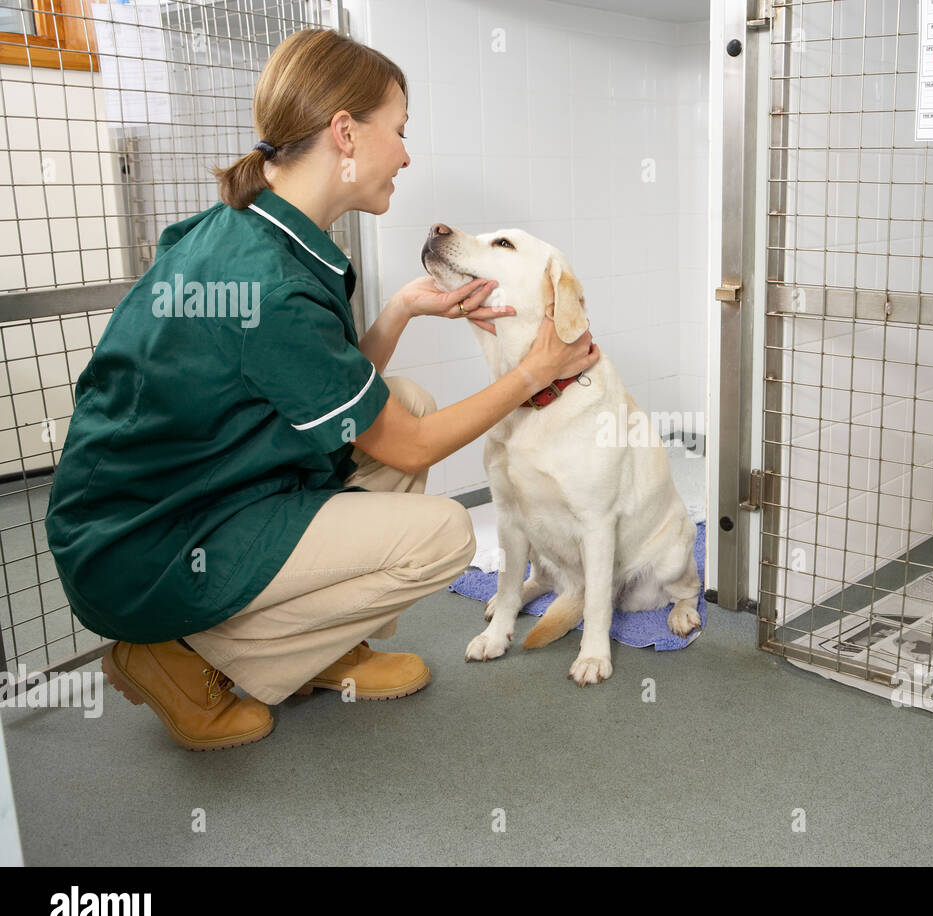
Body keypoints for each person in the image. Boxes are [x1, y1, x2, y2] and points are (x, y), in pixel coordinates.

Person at [44, 28, 599, 751]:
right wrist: (535, 372)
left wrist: (401, 307)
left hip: (196, 497)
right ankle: (176, 659)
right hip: (144, 546)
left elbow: (321, 386)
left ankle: (322, 647)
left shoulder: (251, 229)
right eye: (397, 132)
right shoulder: (269, 284)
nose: (405, 153)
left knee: (410, 396)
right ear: (345, 132)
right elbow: (409, 446)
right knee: (443, 534)